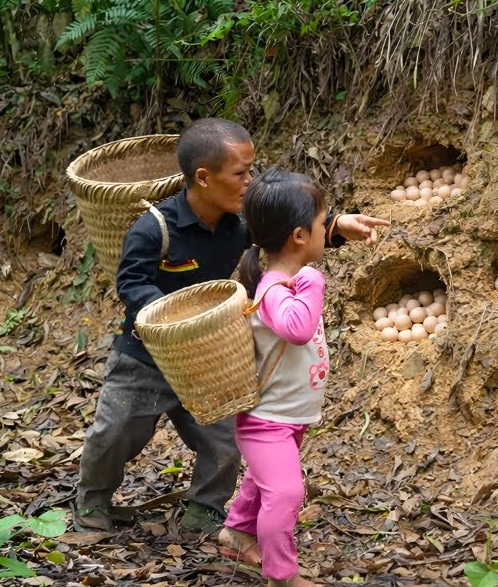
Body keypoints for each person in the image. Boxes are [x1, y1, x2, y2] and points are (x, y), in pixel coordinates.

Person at [74, 118, 388, 535]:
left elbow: (285, 235)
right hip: (145, 355)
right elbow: (131, 282)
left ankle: (205, 509)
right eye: (241, 173)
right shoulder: (155, 228)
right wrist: (170, 317)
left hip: (209, 355)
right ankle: (92, 500)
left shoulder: (238, 224)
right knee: (115, 431)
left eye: (251, 170)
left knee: (223, 437)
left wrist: (335, 225)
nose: (249, 181)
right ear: (204, 177)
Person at [215, 168, 332, 587]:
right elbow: (297, 329)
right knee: (286, 493)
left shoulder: (285, 283)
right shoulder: (274, 290)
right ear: (299, 236)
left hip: (288, 415)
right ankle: (281, 575)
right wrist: (312, 280)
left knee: (263, 481)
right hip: (267, 421)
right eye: (323, 223)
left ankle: (237, 533)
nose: (327, 230)